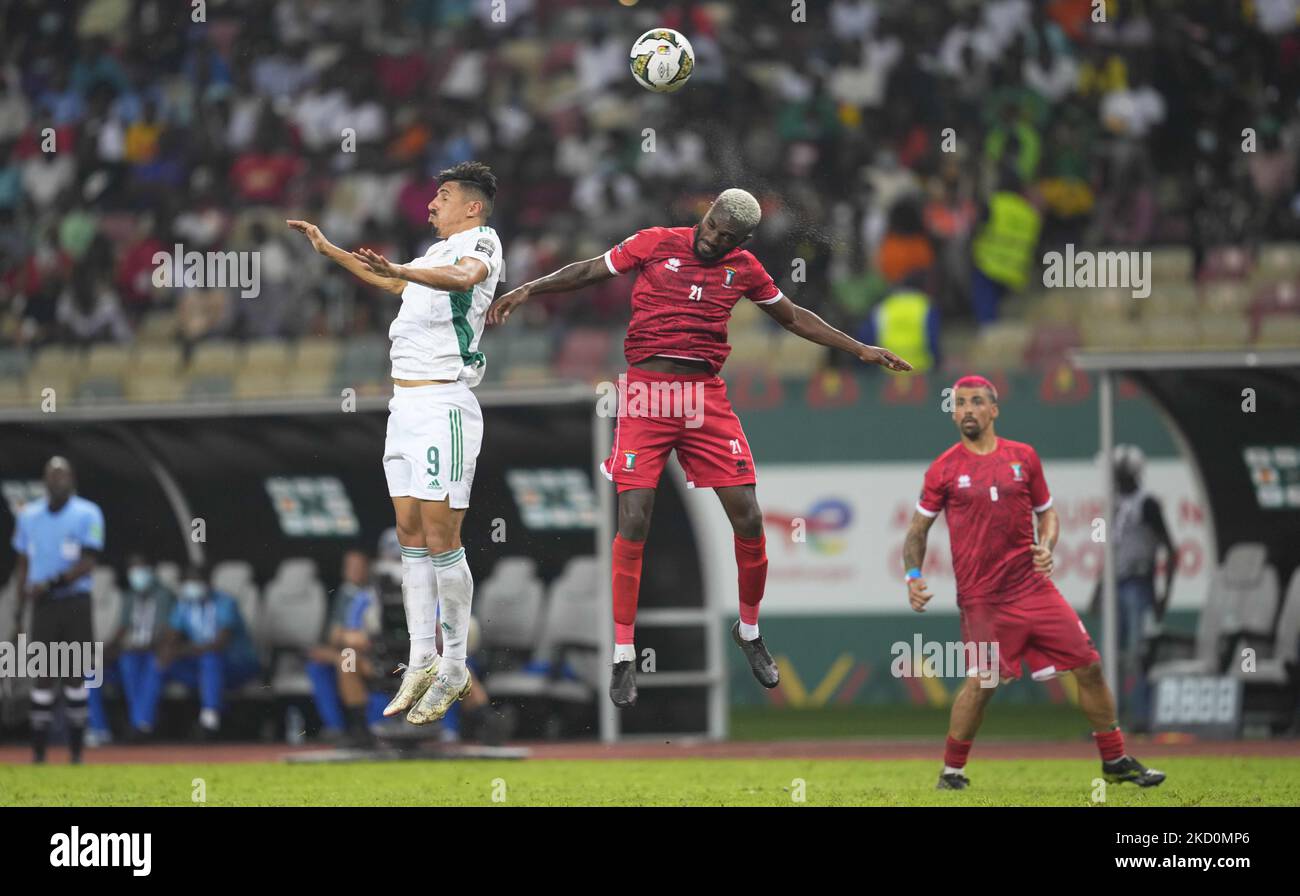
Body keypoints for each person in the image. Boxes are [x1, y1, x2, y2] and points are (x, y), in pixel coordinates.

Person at [488, 188, 911, 707]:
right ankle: (623, 652)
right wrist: (528, 288)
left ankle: (749, 631)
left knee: (749, 517)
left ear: (742, 241)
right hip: (646, 392)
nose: (712, 238)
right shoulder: (654, 243)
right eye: (711, 225)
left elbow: (794, 316)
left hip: (702, 397)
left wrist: (859, 348)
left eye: (726, 236)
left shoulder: (746, 268)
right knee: (635, 517)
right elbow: (588, 271)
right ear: (705, 215)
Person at [287, 160, 504, 725]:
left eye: (444, 195)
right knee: (408, 534)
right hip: (404, 405)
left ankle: (455, 665)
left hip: (443, 404)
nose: (432, 205)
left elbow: (463, 280)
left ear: (472, 206)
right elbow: (391, 280)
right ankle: (420, 657)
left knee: (440, 535)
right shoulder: (431, 253)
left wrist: (403, 266)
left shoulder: (482, 241)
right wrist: (332, 251)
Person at [903, 375, 1165, 790]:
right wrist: (913, 575)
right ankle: (952, 772)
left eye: (975, 402)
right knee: (984, 682)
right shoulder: (944, 468)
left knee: (1090, 667)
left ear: (994, 410)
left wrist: (1047, 545)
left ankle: (1115, 760)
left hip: (1033, 588)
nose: (966, 410)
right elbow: (917, 530)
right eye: (959, 404)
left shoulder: (1023, 457)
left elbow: (1048, 513)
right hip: (983, 599)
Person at [11, 456, 104, 764]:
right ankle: (38, 753)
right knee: (44, 674)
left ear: (72, 479)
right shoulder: (29, 516)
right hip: (42, 606)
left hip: (74, 601)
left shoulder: (88, 513)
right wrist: (18, 610)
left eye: (62, 475)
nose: (57, 481)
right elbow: (23, 563)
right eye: (51, 476)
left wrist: (52, 582)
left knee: (75, 674)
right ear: (44, 481)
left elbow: (89, 560)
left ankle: (76, 752)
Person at [1098, 444, 1176, 732]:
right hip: (1115, 584)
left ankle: (1143, 716)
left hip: (1139, 583)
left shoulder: (1148, 504)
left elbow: (1170, 549)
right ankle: (1109, 719)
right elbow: (1111, 551)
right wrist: (1099, 589)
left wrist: (1163, 593)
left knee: (1138, 653)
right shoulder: (1116, 503)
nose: (1116, 479)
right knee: (1109, 655)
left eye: (1120, 473)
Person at [134, 563, 260, 738]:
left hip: (237, 666)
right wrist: (166, 650)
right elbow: (171, 635)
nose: (191, 586)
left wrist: (179, 652)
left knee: (211, 658)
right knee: (158, 661)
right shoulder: (184, 604)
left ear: (208, 583)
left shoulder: (225, 602)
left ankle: (210, 722)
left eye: (196, 581)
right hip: (202, 668)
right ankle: (143, 725)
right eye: (187, 582)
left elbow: (219, 643)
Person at [85, 554, 175, 745]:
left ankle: (141, 724)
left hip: (151, 652)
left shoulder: (164, 595)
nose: (137, 575)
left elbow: (164, 632)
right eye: (133, 570)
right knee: (91, 671)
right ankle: (99, 729)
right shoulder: (129, 596)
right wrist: (103, 651)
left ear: (151, 571)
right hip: (131, 652)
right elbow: (121, 629)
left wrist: (136, 647)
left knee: (137, 663)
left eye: (141, 569)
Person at [306, 550, 383, 745]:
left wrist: (349, 640)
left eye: (359, 567)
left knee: (346, 661)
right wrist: (343, 642)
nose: (354, 572)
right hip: (358, 655)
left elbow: (365, 638)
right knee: (329, 663)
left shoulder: (378, 593)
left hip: (385, 657)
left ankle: (364, 728)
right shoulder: (351, 595)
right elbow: (338, 635)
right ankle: (342, 728)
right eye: (350, 567)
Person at [969, 167, 1041, 324]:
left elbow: (976, 230)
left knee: (987, 313)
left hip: (988, 265)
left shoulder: (994, 204)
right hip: (1015, 271)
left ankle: (989, 334)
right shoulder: (1030, 213)